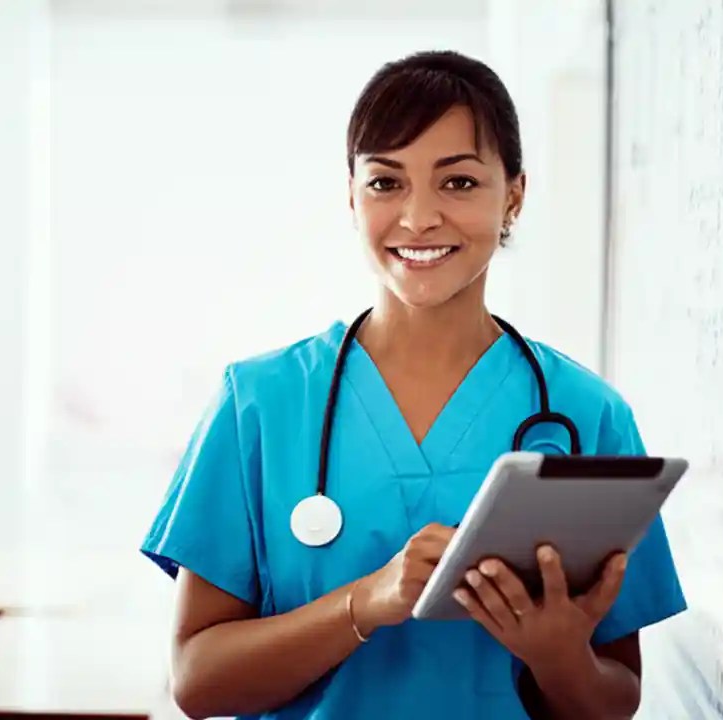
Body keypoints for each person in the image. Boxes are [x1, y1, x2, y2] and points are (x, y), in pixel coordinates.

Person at [141, 50, 685, 719]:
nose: (419, 217)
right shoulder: (259, 403)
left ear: (513, 194)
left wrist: (557, 654)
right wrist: (365, 603)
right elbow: (197, 682)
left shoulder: (588, 416)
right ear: (351, 194)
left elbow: (614, 703)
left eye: (457, 183)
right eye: (385, 183)